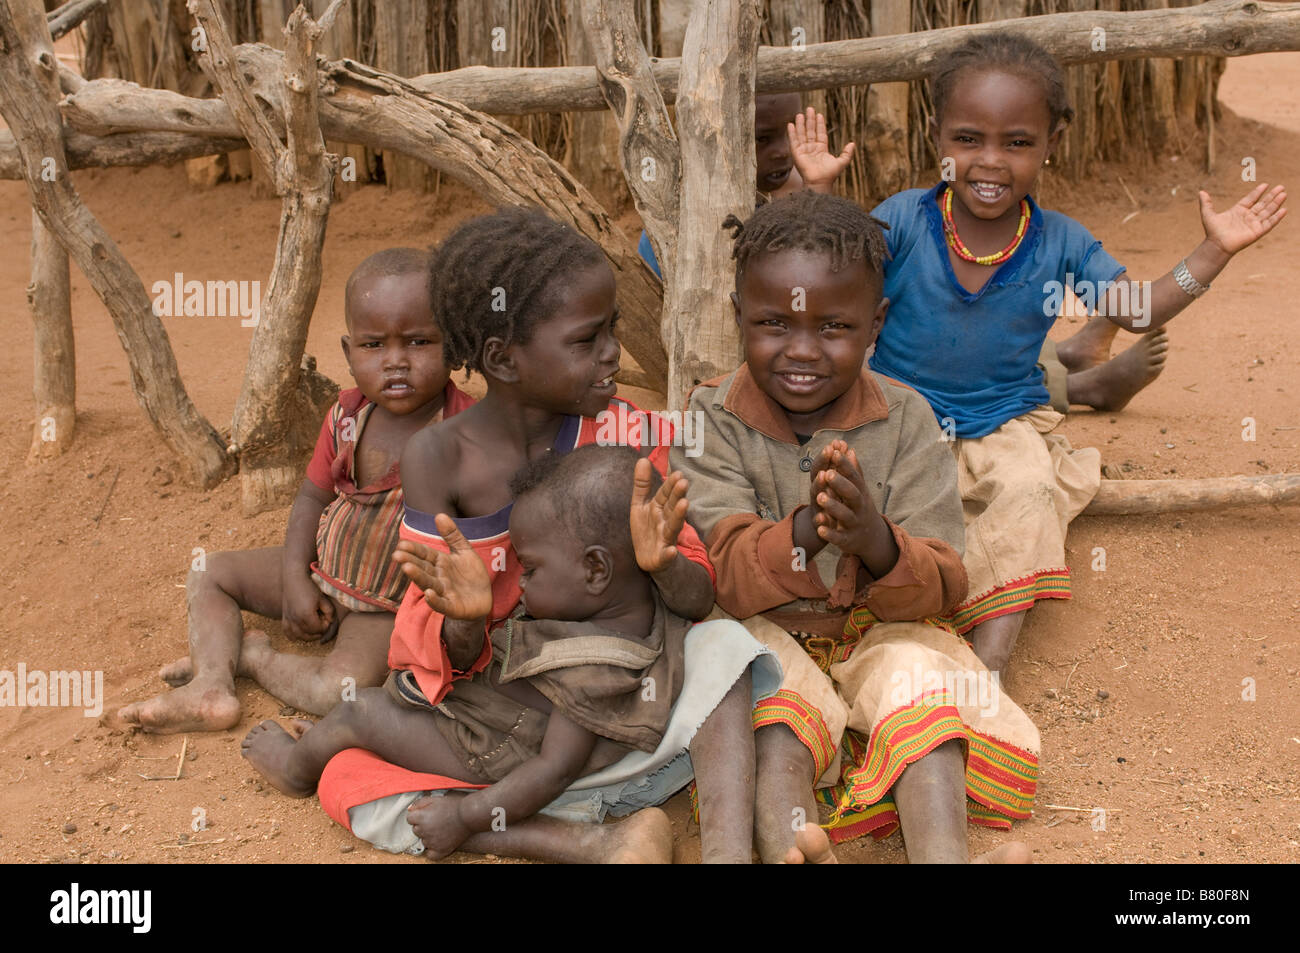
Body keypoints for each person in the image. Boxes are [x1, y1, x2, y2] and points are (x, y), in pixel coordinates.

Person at [320, 208, 773, 862]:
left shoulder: (633, 436)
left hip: (618, 705)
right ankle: (596, 840)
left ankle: (728, 853)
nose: (615, 351)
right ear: (504, 357)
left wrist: (664, 562)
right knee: (353, 779)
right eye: (588, 339)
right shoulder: (436, 458)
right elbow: (428, 651)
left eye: (611, 329)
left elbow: (697, 598)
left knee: (727, 650)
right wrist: (469, 622)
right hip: (497, 718)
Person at [867, 33, 1286, 675]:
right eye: (968, 139)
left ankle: (991, 663)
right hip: (896, 415)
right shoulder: (902, 220)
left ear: (1051, 145)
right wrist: (806, 197)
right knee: (859, 494)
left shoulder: (1060, 242)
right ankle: (893, 627)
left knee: (1031, 492)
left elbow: (1136, 311)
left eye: (1018, 142)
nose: (990, 162)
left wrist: (1214, 252)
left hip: (1001, 418)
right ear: (935, 136)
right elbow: (827, 278)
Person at [671, 191, 1039, 864]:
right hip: (764, 634)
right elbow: (719, 570)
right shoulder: (709, 419)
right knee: (772, 718)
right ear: (737, 318)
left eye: (834, 328)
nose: (802, 351)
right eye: (774, 324)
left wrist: (875, 539)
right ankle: (798, 850)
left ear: (876, 324)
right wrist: (810, 528)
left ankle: (945, 857)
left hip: (881, 630)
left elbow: (946, 581)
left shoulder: (908, 421)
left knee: (923, 696)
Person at [242, 446, 774, 863]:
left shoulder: (587, 665)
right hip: (506, 727)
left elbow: (552, 770)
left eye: (533, 569)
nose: (520, 586)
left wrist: (467, 818)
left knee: (363, 713)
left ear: (595, 570)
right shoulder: (633, 612)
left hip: (495, 752)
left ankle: (294, 769)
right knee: (379, 724)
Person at [639, 94, 1172, 415]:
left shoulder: (817, 198)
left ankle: (1066, 358)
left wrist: (816, 193)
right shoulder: (684, 226)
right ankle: (1079, 383)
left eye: (788, 134)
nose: (780, 152)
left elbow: (840, 274)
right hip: (777, 360)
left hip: (835, 346)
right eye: (758, 139)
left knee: (934, 348)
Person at [118, 249, 471, 733]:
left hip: (387, 604)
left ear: (453, 346)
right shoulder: (346, 417)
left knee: (339, 689)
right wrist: (295, 579)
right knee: (209, 571)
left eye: (418, 342)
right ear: (348, 354)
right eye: (373, 345)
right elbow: (310, 500)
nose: (396, 362)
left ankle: (255, 659)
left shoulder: (464, 431)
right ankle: (211, 683)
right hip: (322, 566)